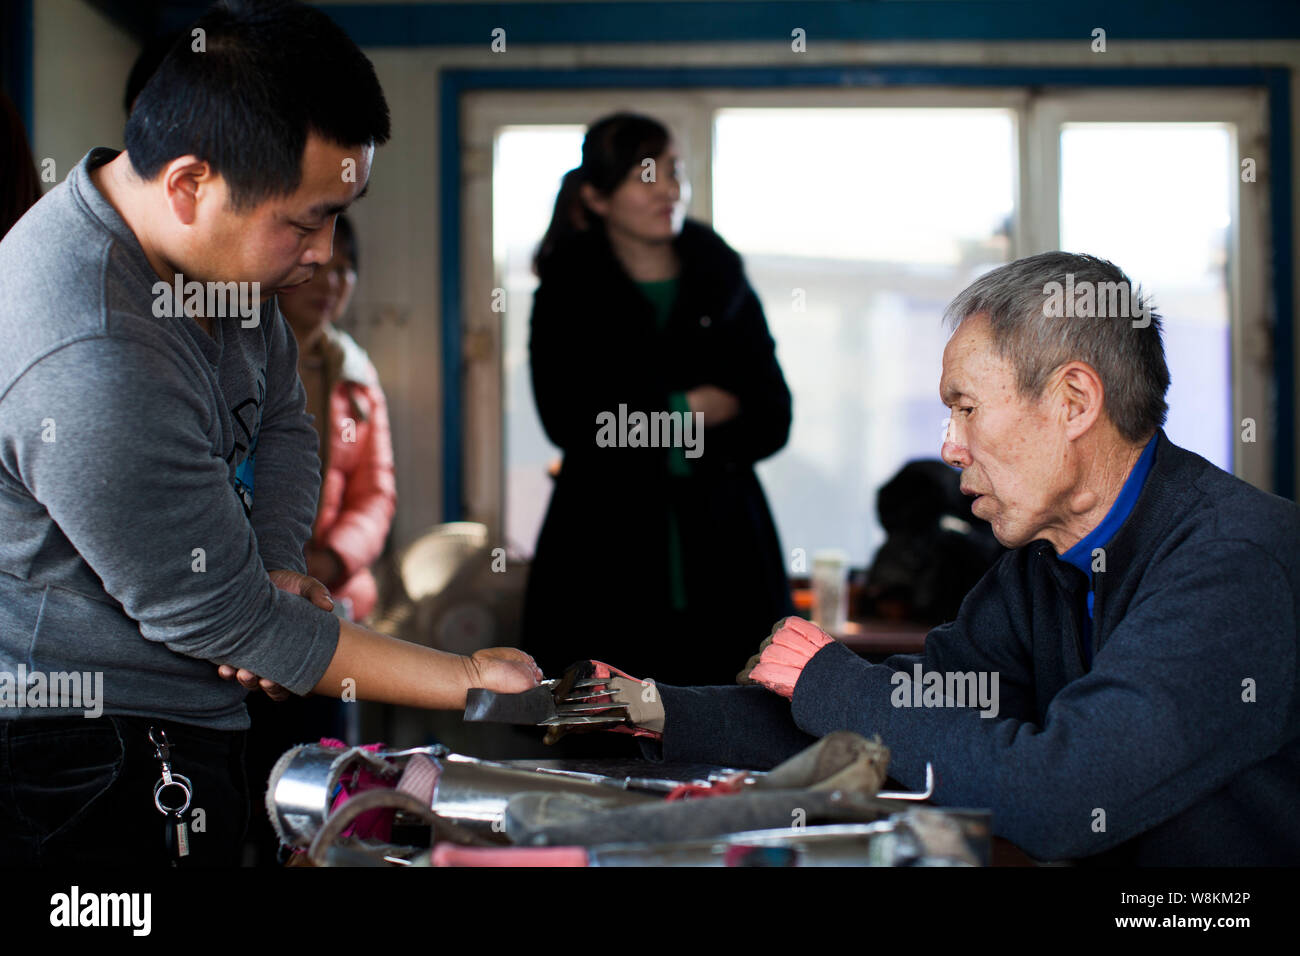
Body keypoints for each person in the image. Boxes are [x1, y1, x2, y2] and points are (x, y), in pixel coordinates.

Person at [0, 0, 537, 868]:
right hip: (84, 756)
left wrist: (279, 565)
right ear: (189, 185)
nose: (324, 253)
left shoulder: (215, 260)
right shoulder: (90, 349)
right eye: (307, 219)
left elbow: (285, 421)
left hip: (191, 718)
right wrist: (466, 680)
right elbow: (226, 619)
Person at [600, 252, 1300, 865]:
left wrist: (837, 683)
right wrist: (647, 706)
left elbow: (1065, 795)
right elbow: (901, 717)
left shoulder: (1234, 563)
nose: (949, 447)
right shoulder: (1042, 567)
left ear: (1074, 400)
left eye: (965, 408)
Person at [521, 112, 795, 689]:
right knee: (603, 738)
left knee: (734, 732)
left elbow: (772, 417)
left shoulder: (723, 279)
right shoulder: (566, 292)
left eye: (674, 171)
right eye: (646, 176)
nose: (669, 188)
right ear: (597, 196)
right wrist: (691, 412)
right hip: (603, 550)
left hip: (727, 550)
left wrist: (645, 417)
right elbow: (572, 424)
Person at [242, 214, 395, 864]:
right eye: (318, 265)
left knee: (315, 764)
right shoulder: (234, 351)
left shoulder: (355, 377)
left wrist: (328, 558)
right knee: (246, 763)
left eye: (344, 268)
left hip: (325, 590)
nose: (329, 280)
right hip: (238, 589)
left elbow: (377, 495)